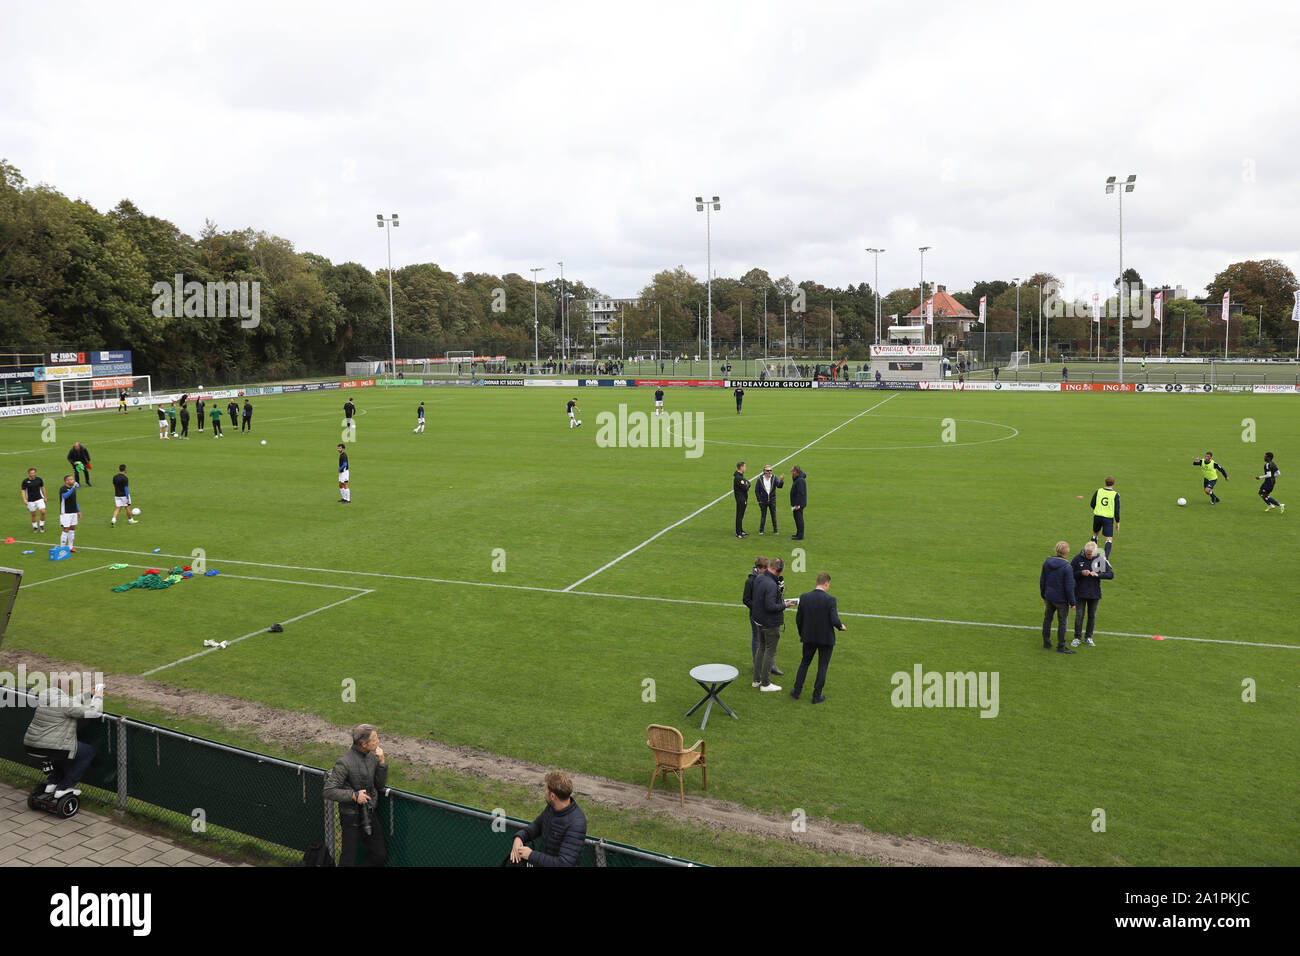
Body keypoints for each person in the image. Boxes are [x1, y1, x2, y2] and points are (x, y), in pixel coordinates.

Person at [22, 674, 103, 799]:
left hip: (31, 745)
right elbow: (93, 712)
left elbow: (69, 702)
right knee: (88, 752)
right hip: (51, 747)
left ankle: (52, 783)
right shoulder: (65, 703)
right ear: (67, 686)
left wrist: (89, 694)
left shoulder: (44, 695)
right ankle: (64, 787)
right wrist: (98, 697)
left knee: (58, 756)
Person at [323, 724, 388, 867]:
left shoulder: (372, 757)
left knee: (379, 854)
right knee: (348, 860)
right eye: (375, 739)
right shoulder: (344, 763)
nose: (378, 742)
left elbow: (380, 785)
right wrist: (354, 795)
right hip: (351, 817)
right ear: (363, 744)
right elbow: (328, 790)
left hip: (369, 813)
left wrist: (382, 763)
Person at [509, 770, 588, 867]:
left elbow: (564, 863)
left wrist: (530, 855)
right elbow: (536, 826)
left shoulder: (576, 823)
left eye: (546, 790)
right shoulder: (552, 808)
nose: (545, 792)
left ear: (553, 796)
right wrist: (519, 837)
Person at [791, 572, 847, 703]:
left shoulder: (804, 597)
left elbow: (798, 619)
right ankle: (816, 696)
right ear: (826, 584)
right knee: (822, 666)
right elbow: (834, 619)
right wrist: (841, 626)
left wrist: (802, 633)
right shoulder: (830, 600)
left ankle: (796, 692)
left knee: (804, 663)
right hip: (826, 639)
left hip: (808, 637)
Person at [750, 553, 796, 690]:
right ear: (779, 569)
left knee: (761, 649)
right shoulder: (770, 584)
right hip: (769, 623)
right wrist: (785, 605)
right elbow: (770, 606)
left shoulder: (760, 578)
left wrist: (779, 592)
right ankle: (765, 684)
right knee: (769, 652)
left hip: (759, 620)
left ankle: (756, 680)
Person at [743, 556, 784, 677]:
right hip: (756, 615)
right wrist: (757, 608)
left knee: (769, 643)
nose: (767, 570)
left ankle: (771, 665)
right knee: (758, 640)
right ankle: (758, 666)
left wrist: (780, 590)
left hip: (767, 615)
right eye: (765, 568)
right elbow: (746, 599)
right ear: (758, 568)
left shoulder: (768, 579)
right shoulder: (751, 581)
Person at [1070, 540, 1113, 647]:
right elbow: (1070, 574)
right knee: (1079, 615)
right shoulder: (1077, 559)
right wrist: (1081, 573)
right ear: (1085, 551)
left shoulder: (1099, 560)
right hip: (1080, 592)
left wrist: (1098, 575)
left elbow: (1110, 574)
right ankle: (1077, 637)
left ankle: (1088, 637)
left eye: (1091, 554)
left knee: (1092, 616)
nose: (1089, 556)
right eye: (1088, 554)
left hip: (1094, 593)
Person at [1040, 540, 1076, 654]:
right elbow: (1069, 586)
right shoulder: (1067, 567)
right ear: (1066, 552)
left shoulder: (1047, 562)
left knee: (1047, 620)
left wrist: (1043, 594)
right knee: (1062, 622)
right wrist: (1072, 602)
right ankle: (1061, 646)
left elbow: (1042, 580)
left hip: (1049, 597)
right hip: (1061, 599)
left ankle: (1046, 643)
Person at [1089, 475, 1120, 558]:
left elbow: (1092, 503)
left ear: (1105, 483)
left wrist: (1098, 509)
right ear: (1113, 484)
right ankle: (1105, 558)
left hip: (1097, 516)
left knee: (1095, 534)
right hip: (1108, 519)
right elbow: (1117, 510)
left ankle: (1091, 555)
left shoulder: (1098, 491)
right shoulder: (1115, 494)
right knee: (1109, 539)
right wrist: (1117, 521)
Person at [754, 465, 784, 535]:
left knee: (774, 515)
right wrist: (759, 500)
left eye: (770, 470)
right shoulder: (760, 479)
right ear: (764, 471)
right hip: (763, 501)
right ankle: (761, 530)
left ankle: (775, 530)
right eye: (768, 470)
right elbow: (757, 490)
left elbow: (779, 486)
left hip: (772, 500)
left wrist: (781, 480)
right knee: (763, 516)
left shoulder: (774, 478)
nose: (769, 472)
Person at [58, 474, 81, 553]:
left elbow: (74, 501)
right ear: (66, 481)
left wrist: (78, 511)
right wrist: (73, 488)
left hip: (73, 512)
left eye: (73, 479)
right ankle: (62, 548)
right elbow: (65, 496)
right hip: (65, 513)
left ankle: (70, 547)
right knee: (66, 529)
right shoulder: (63, 489)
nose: (73, 481)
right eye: (71, 479)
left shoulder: (72, 489)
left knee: (72, 529)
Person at [20, 467, 47, 533]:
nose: (33, 474)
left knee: (43, 511)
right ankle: (35, 527)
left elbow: (42, 488)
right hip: (30, 500)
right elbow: (23, 491)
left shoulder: (39, 479)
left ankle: (41, 525)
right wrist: (24, 499)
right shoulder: (25, 481)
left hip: (39, 498)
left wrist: (45, 497)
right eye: (31, 473)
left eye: (34, 473)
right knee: (33, 514)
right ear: (29, 474)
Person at [733, 461, 750, 538]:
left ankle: (741, 530)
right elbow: (746, 487)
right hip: (741, 499)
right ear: (741, 467)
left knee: (741, 516)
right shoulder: (738, 478)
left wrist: (747, 484)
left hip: (743, 498)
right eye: (744, 466)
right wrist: (747, 484)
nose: (745, 468)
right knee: (739, 516)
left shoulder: (740, 476)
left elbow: (748, 483)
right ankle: (738, 533)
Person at [790, 465, 807, 540]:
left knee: (799, 519)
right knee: (796, 518)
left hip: (798, 504)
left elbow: (801, 493)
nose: (791, 472)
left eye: (792, 471)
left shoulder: (800, 480)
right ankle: (798, 533)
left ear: (796, 471)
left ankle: (800, 536)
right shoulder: (798, 478)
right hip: (796, 503)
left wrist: (797, 505)